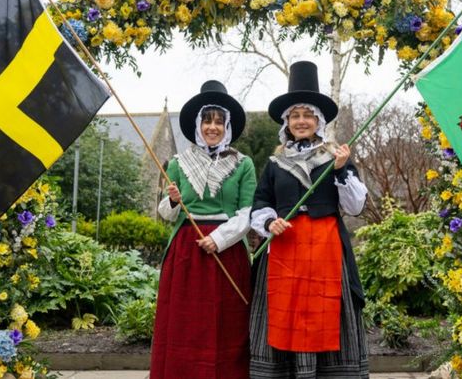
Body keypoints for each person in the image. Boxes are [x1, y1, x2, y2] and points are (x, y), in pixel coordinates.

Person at [249, 61, 369, 378]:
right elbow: (260, 201)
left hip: (326, 250)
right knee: (284, 317)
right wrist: (269, 221)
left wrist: (342, 169)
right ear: (287, 122)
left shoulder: (335, 156)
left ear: (319, 120)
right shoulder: (276, 162)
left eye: (307, 115)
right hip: (285, 251)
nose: (301, 121)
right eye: (295, 116)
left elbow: (356, 206)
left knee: (323, 314)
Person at [150, 80, 256, 379]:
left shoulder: (243, 164)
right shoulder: (179, 163)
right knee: (186, 322)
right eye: (207, 121)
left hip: (228, 252)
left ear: (227, 126)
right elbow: (167, 214)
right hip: (187, 253)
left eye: (219, 122)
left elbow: (247, 212)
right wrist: (172, 201)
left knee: (228, 321)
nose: (213, 127)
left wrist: (219, 239)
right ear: (198, 124)